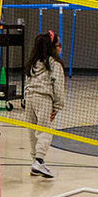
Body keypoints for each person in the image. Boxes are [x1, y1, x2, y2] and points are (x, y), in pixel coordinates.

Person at [24, 30, 67, 178]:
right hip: (43, 99)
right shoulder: (55, 64)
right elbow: (59, 86)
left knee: (33, 132)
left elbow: (27, 82)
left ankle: (37, 162)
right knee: (45, 131)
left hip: (29, 99)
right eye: (59, 45)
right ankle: (39, 161)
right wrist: (57, 106)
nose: (60, 48)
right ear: (52, 47)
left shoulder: (32, 63)